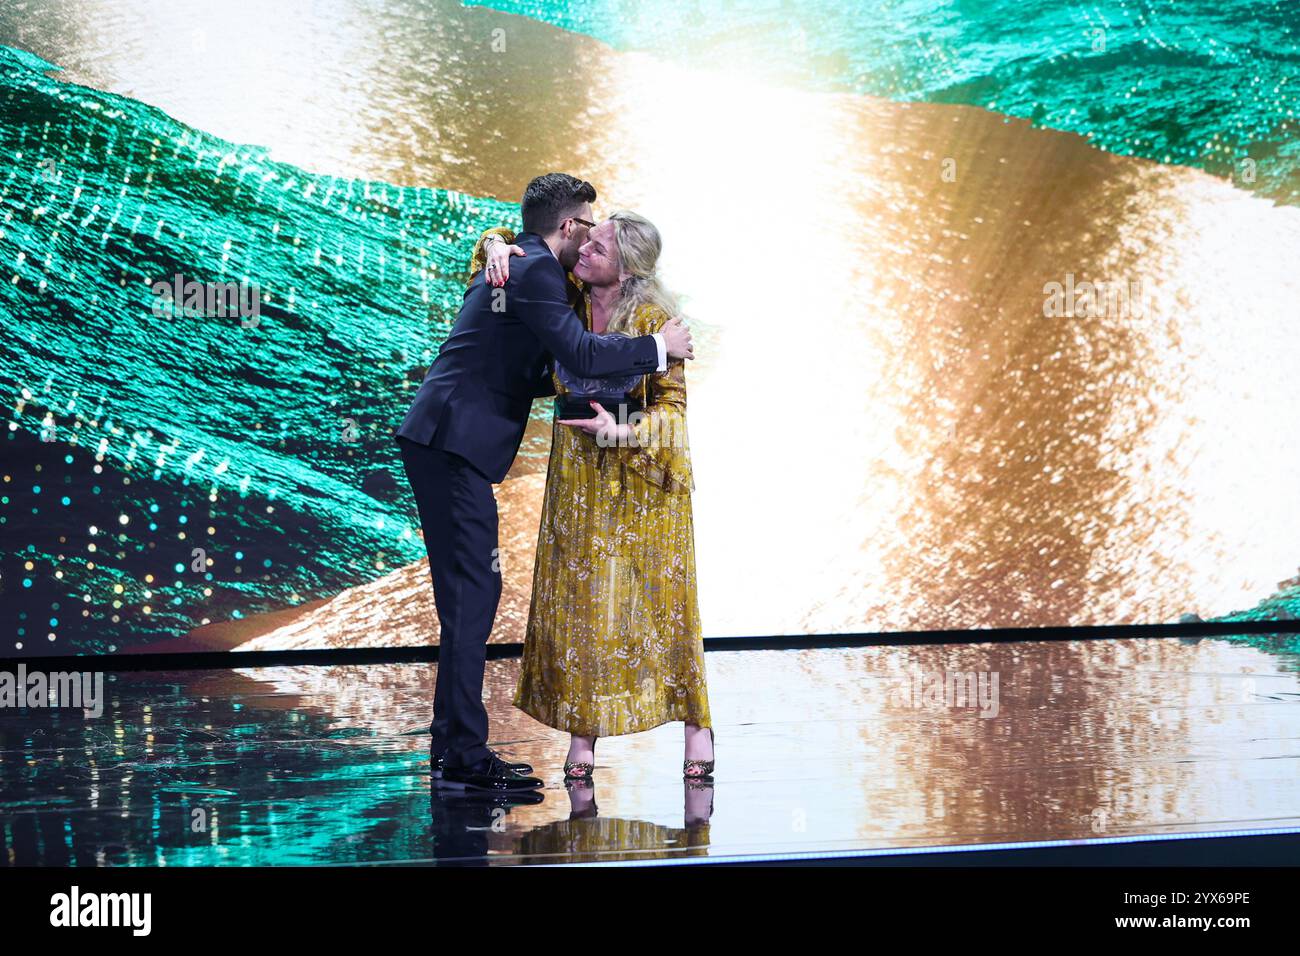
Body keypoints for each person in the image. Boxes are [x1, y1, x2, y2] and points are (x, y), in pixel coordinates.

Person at [393, 174, 695, 792]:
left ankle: (454, 748)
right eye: (587, 226)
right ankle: (465, 757)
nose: (588, 240)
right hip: (449, 442)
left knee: (466, 597)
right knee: (473, 596)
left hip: (444, 441)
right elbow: (582, 355)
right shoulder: (531, 271)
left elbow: (562, 370)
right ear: (567, 226)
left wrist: (493, 239)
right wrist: (657, 350)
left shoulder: (525, 263)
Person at [476, 210, 714, 783]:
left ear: (627, 267)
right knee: (580, 604)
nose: (584, 250)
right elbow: (509, 256)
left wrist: (622, 430)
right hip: (578, 476)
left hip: (638, 476)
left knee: (658, 603)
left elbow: (673, 412)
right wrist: (495, 244)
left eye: (599, 248)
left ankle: (697, 728)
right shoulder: (569, 299)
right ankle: (582, 740)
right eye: (587, 240)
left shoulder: (658, 321)